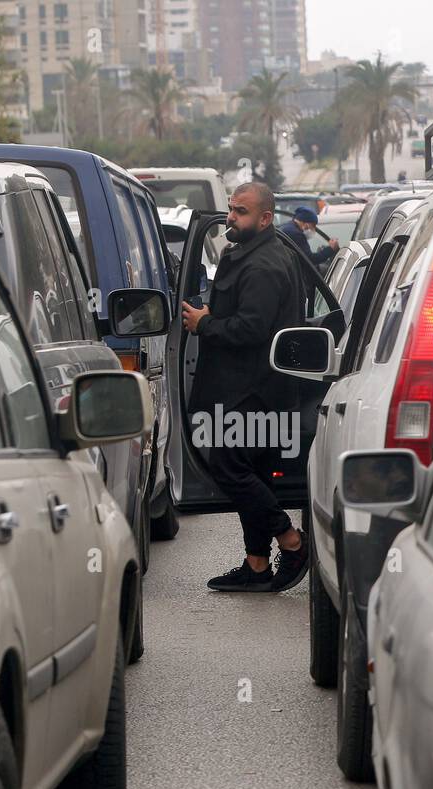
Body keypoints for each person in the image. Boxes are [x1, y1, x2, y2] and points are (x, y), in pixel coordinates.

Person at [180, 182, 310, 593]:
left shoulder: (265, 266)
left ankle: (291, 541)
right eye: (231, 209)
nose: (231, 217)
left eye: (241, 212)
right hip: (243, 388)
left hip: (252, 392)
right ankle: (256, 565)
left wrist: (205, 324)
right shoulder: (245, 254)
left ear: (265, 218)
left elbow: (251, 329)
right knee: (253, 474)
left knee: (227, 466)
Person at [279, 207, 339, 273]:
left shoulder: (287, 227)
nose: (313, 229)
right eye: (313, 225)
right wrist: (330, 249)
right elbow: (310, 259)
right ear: (306, 224)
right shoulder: (296, 234)